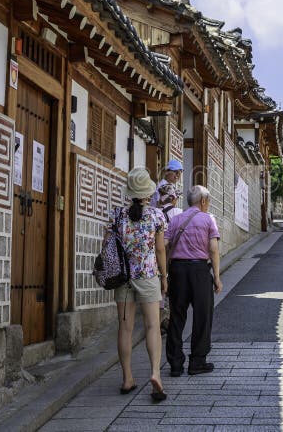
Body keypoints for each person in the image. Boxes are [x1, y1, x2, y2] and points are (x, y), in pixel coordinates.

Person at [111, 168, 168, 402]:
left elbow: (110, 245)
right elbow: (160, 249)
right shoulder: (156, 216)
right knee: (153, 326)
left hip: (123, 278)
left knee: (124, 328)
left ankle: (127, 379)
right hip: (148, 276)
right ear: (148, 192)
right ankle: (155, 374)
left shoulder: (118, 216)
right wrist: (164, 275)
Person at [165, 185, 223, 377]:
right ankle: (197, 362)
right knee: (202, 316)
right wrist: (217, 277)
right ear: (204, 201)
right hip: (199, 271)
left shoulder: (175, 220)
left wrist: (164, 274)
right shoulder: (208, 219)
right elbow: (213, 249)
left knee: (177, 316)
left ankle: (175, 363)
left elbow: (165, 246)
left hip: (177, 271)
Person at [156, 183, 182, 333]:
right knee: (172, 288)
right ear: (173, 198)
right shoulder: (178, 212)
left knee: (159, 289)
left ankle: (158, 321)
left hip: (154, 256)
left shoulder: (154, 211)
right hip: (171, 254)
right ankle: (171, 320)